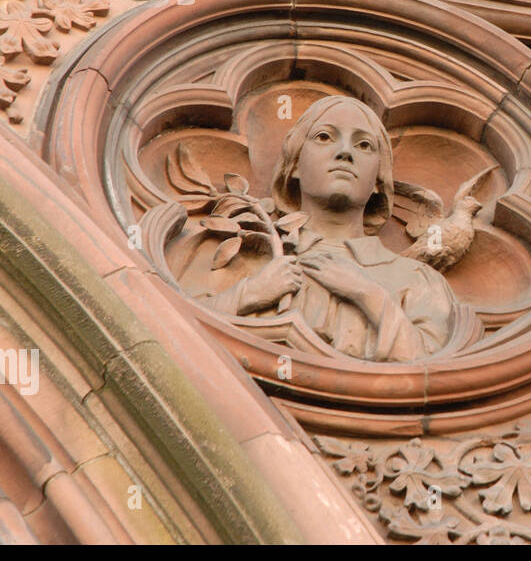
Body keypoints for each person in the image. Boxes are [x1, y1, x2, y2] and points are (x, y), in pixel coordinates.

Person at [178, 95, 459, 362]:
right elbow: (173, 328)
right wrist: (251, 293)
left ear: (377, 180)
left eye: (364, 145)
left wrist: (366, 293)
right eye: (324, 137)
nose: (345, 152)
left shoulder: (417, 280)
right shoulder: (239, 250)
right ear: (295, 165)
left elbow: (429, 369)